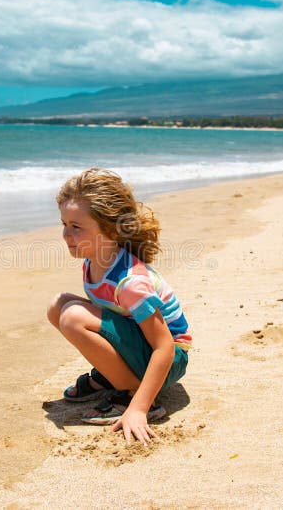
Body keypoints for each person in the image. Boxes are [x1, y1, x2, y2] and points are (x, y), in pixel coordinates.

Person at [46, 168, 191, 445]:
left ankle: (133, 395)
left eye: (76, 227)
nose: (66, 234)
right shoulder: (93, 262)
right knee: (58, 305)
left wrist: (139, 408)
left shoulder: (130, 282)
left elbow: (165, 346)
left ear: (112, 230)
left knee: (72, 317)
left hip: (169, 359)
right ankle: (112, 377)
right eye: (63, 224)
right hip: (142, 348)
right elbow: (113, 316)